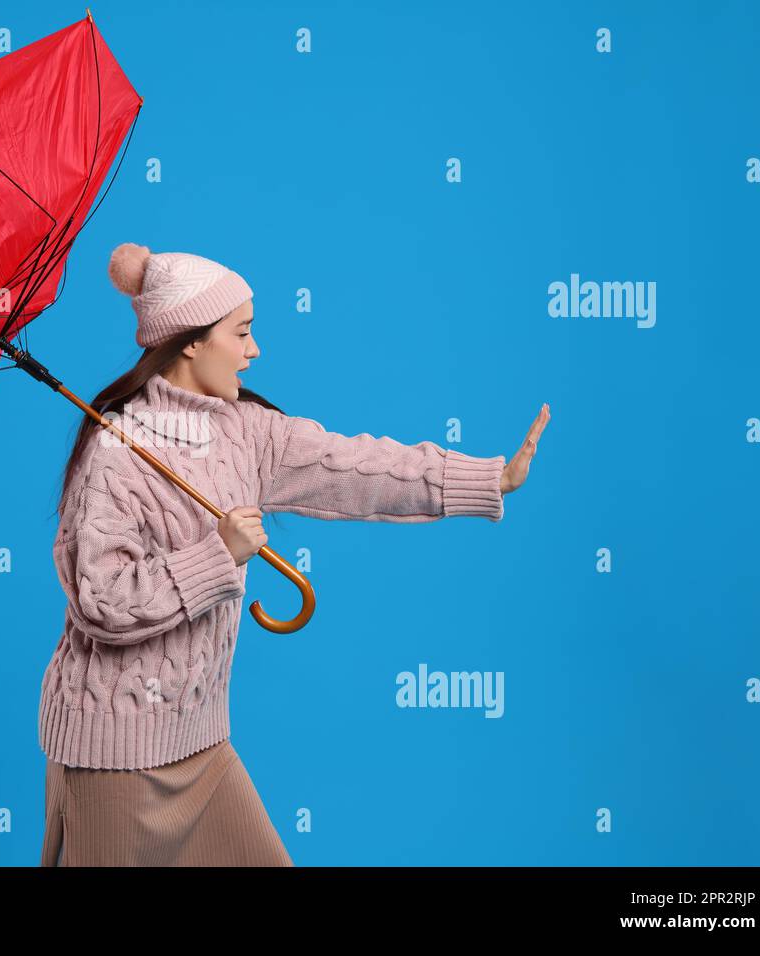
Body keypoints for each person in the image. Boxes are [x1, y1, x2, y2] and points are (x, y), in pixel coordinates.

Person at [38, 242, 550, 866]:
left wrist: (485, 480)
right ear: (191, 341)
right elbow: (101, 599)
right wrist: (217, 553)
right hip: (112, 755)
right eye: (243, 333)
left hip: (200, 744)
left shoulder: (248, 430)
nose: (255, 351)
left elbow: (355, 466)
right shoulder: (116, 453)